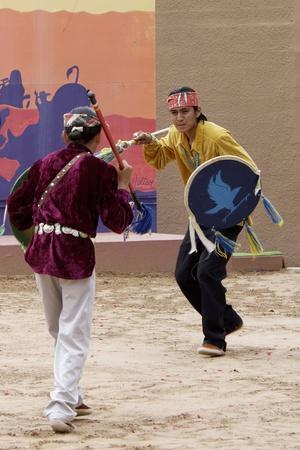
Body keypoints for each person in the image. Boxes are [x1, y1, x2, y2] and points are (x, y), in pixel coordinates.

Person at [7, 106, 133, 433]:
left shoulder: (44, 163)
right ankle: (60, 406)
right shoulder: (99, 170)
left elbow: (16, 205)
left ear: (65, 135)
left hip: (42, 251)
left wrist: (32, 237)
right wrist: (122, 185)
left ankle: (72, 395)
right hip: (74, 253)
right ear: (95, 139)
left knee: (59, 330)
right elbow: (118, 222)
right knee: (73, 334)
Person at [133, 86, 257, 357]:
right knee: (183, 274)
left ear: (197, 111)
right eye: (174, 112)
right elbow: (161, 156)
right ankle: (227, 319)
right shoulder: (176, 136)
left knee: (207, 272)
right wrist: (150, 142)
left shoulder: (217, 136)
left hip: (228, 217)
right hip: (200, 216)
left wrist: (236, 208)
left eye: (184, 111)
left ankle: (215, 339)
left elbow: (247, 170)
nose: (179, 118)